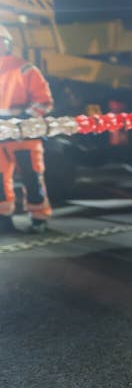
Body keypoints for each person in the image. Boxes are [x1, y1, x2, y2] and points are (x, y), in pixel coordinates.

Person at [0, 24, 54, 233]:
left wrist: (24, 118)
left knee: (32, 178)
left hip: (25, 135)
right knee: (0, 180)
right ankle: (3, 218)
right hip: (3, 135)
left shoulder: (25, 69)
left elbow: (44, 102)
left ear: (8, 44)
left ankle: (39, 218)